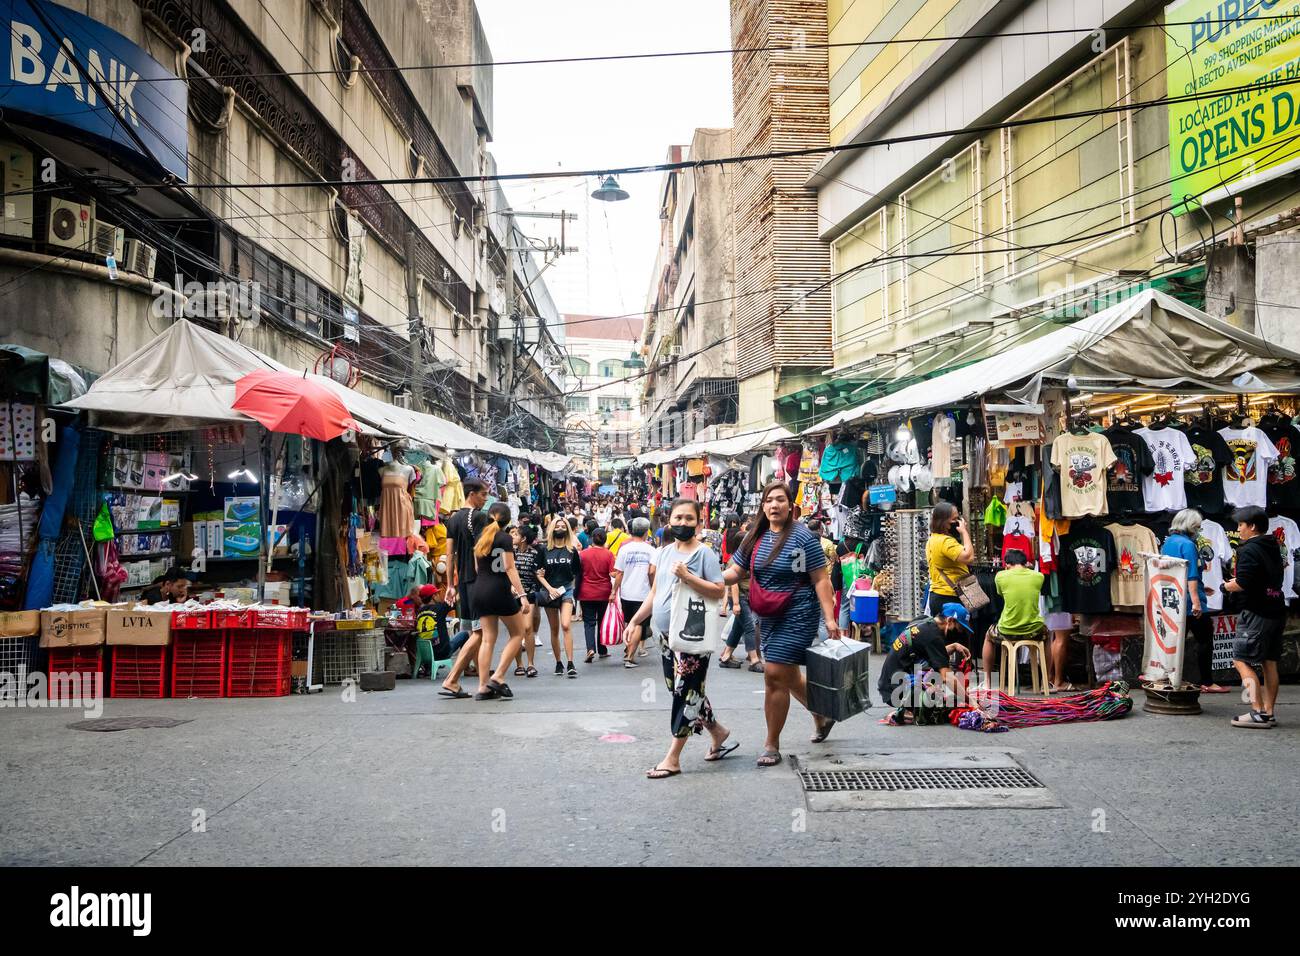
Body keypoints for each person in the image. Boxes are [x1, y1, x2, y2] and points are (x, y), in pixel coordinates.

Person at [722, 481, 840, 768]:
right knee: (784, 673)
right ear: (763, 506)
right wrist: (701, 577)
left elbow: (820, 579)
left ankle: (771, 744)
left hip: (799, 613)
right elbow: (735, 570)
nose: (774, 505)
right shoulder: (755, 537)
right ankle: (822, 712)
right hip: (768, 616)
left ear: (790, 506)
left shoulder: (802, 538)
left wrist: (830, 618)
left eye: (780, 500)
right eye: (769, 500)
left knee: (773, 672)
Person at [622, 498, 737, 778]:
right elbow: (655, 593)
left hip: (691, 637)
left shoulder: (704, 554)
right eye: (678, 518)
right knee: (682, 689)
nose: (682, 523)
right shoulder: (662, 553)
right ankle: (718, 732)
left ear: (698, 522)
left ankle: (672, 758)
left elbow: (718, 590)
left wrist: (688, 577)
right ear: (668, 521)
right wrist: (636, 620)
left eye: (688, 518)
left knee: (685, 693)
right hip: (665, 637)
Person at [1223, 506, 1284, 728]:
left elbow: (1242, 583)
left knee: (1241, 660)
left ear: (1252, 527)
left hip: (1256, 611)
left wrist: (1226, 586)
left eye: (1241, 525)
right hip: (1276, 609)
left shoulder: (1248, 549)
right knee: (1269, 662)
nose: (1238, 529)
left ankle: (1257, 712)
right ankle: (1269, 712)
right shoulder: (1272, 546)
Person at [467, 502, 530, 701]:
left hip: (480, 589)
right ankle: (499, 675)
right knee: (518, 632)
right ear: (507, 519)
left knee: (487, 638)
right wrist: (522, 595)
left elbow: (478, 568)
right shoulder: (504, 538)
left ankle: (482, 686)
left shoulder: (480, 538)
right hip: (499, 589)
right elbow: (510, 568)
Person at [1160, 509, 1224, 694]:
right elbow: (1192, 575)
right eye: (1196, 525)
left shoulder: (1169, 542)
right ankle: (1207, 682)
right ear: (1189, 526)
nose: (1199, 528)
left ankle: (1169, 677)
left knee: (1175, 641)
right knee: (1204, 640)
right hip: (1189, 601)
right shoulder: (1188, 544)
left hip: (1173, 598)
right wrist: (1196, 600)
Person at [439, 478, 490, 699]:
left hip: (464, 583)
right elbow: (480, 552)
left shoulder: (453, 519)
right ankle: (452, 679)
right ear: (471, 494)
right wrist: (485, 579)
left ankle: (482, 679)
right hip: (477, 580)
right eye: (483, 494)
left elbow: (449, 555)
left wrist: (451, 584)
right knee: (480, 633)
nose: (485, 498)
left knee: (473, 631)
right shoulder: (479, 517)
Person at [879, 603, 974, 720]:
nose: (960, 633)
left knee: (936, 670)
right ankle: (909, 708)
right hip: (895, 691)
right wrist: (971, 702)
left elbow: (935, 653)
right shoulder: (933, 636)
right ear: (950, 621)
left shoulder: (924, 622)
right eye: (960, 629)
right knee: (940, 702)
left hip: (888, 683)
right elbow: (947, 677)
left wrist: (953, 646)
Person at [981, 549, 1046, 684]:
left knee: (988, 636)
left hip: (1007, 630)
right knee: (1049, 636)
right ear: (1025, 563)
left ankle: (987, 681)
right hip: (1033, 631)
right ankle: (1048, 680)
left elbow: (1001, 593)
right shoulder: (1038, 576)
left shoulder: (1000, 576)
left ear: (1007, 564)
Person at [536, 516, 582, 678]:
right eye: (558, 526)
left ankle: (570, 662)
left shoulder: (572, 550)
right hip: (549, 591)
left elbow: (576, 572)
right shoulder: (544, 550)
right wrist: (549, 589)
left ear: (568, 529)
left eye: (563, 526)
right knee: (554, 628)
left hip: (567, 590)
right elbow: (539, 573)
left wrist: (573, 589)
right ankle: (558, 662)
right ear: (552, 529)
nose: (560, 528)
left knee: (566, 625)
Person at [718, 516, 763, 672]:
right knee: (749, 627)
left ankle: (726, 656)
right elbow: (734, 583)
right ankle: (754, 659)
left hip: (748, 597)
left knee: (738, 628)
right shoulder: (735, 561)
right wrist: (736, 603)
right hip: (740, 597)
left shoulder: (747, 558)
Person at [614, 517, 656, 667]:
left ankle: (628, 649)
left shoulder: (624, 549)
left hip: (626, 592)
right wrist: (653, 589)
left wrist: (614, 592)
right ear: (646, 533)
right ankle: (630, 657)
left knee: (629, 621)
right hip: (643, 593)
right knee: (638, 623)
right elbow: (652, 572)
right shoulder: (651, 550)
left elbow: (619, 573)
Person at [926, 501, 975, 615]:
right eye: (955, 519)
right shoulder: (945, 542)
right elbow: (969, 557)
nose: (958, 522)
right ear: (943, 522)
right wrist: (964, 532)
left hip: (940, 594)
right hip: (949, 596)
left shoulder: (933, 539)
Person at [578, 527, 616, 663]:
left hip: (586, 592)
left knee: (589, 622)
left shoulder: (583, 554)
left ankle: (590, 648)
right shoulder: (609, 554)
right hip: (604, 592)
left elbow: (577, 572)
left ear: (592, 539)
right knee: (602, 621)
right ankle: (602, 649)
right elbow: (613, 573)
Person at [511, 523, 544, 678]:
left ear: (523, 538)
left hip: (529, 594)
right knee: (516, 631)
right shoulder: (510, 553)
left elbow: (538, 574)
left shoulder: (535, 553)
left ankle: (531, 663)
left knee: (528, 627)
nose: (513, 536)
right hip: (512, 596)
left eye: (516, 534)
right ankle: (519, 664)